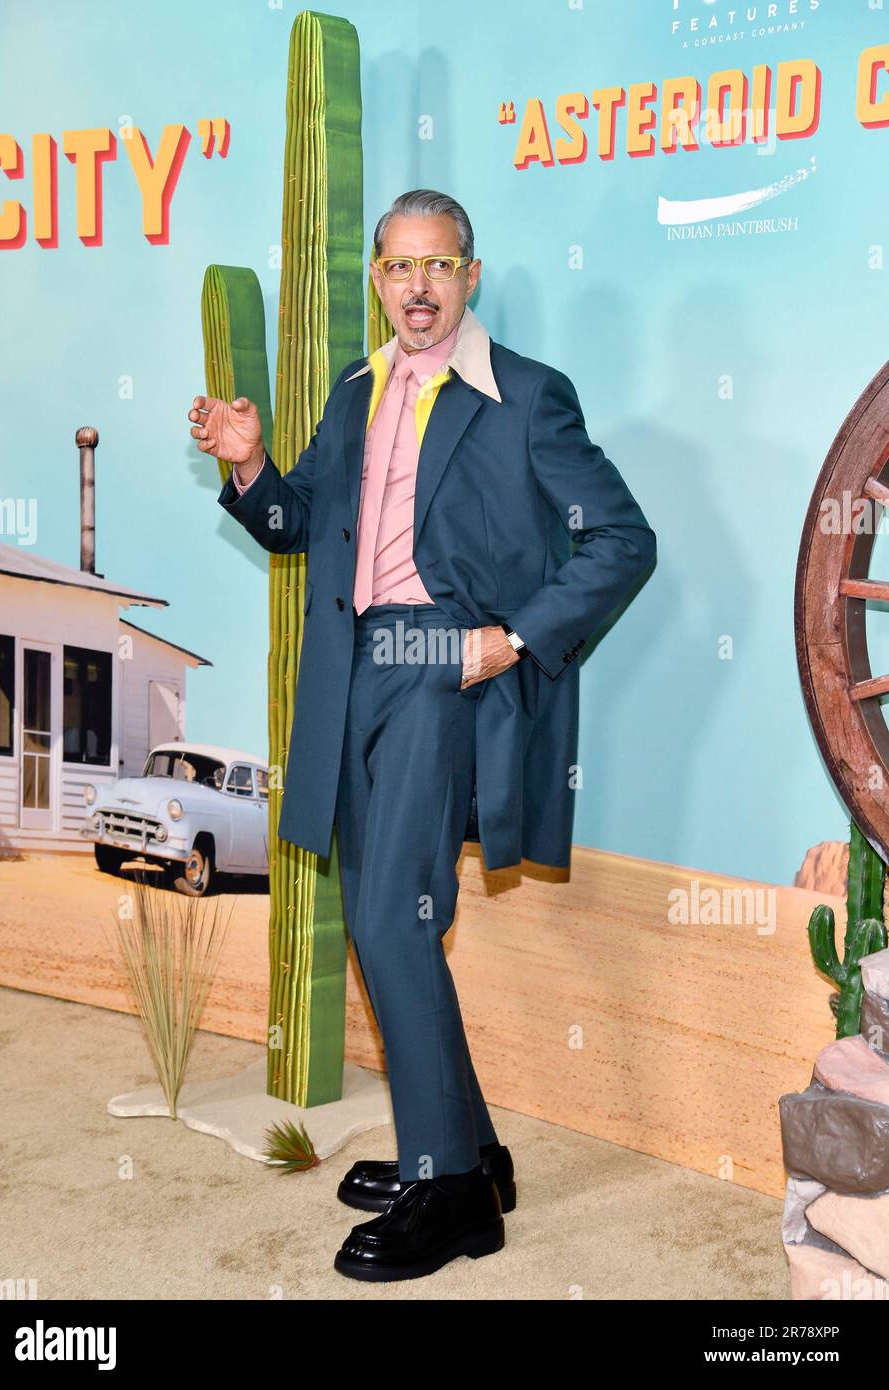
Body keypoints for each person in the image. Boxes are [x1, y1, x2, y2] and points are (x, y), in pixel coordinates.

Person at [188, 188, 657, 1283]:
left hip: (439, 665)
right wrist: (251, 468)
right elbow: (298, 526)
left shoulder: (528, 397)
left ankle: (449, 1194)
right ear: (378, 280)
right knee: (383, 913)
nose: (417, 286)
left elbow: (621, 541)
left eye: (437, 266)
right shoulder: (355, 392)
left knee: (396, 918)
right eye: (398, 267)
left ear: (470, 274)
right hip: (349, 668)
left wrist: (509, 641)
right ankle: (472, 1152)